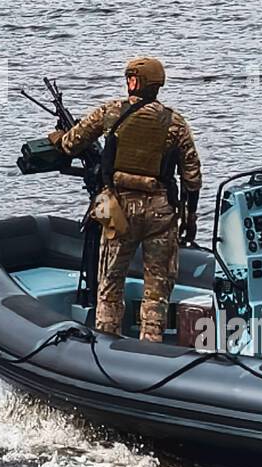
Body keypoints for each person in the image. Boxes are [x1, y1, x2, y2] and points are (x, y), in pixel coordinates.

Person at [49, 58, 202, 342]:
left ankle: (106, 346)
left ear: (134, 82)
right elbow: (192, 177)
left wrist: (57, 137)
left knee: (109, 283)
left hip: (117, 209)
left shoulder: (110, 112)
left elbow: (71, 143)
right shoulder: (176, 123)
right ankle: (151, 350)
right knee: (156, 290)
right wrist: (189, 218)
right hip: (161, 213)